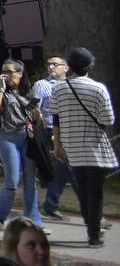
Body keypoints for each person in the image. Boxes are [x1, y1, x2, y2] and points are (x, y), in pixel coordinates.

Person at [48, 46, 116, 249]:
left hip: (71, 148)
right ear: (89, 66)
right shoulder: (98, 88)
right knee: (95, 193)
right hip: (95, 149)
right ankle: (93, 235)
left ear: (69, 67)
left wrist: (57, 144)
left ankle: (91, 228)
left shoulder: (58, 88)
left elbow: (56, 119)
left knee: (83, 192)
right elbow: (108, 119)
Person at [0, 59, 44, 230]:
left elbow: (37, 118)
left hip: (27, 138)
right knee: (12, 180)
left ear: (20, 73)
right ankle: (0, 214)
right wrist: (1, 88)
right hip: (8, 139)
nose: (6, 75)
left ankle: (33, 219)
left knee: (29, 180)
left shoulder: (28, 92)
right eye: (3, 71)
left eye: (10, 71)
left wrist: (38, 116)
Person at [30, 56, 75, 221]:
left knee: (63, 170)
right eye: (48, 64)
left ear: (66, 67)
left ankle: (50, 205)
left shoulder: (72, 85)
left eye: (55, 64)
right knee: (70, 168)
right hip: (50, 131)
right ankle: (91, 212)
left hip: (70, 131)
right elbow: (32, 108)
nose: (50, 67)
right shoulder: (41, 85)